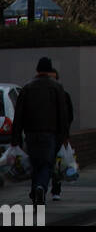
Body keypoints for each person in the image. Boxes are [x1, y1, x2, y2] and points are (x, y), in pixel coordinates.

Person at [10, 57, 70, 207]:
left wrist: (15, 137)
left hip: (30, 133)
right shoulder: (57, 87)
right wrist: (64, 136)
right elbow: (63, 114)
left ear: (37, 70)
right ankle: (41, 187)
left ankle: (35, 195)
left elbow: (19, 115)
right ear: (50, 71)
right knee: (46, 164)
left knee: (35, 163)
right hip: (50, 133)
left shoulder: (27, 87)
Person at [49, 70, 74, 201]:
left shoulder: (64, 96)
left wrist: (65, 134)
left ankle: (56, 190)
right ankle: (39, 188)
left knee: (57, 164)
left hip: (58, 136)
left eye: (54, 78)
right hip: (46, 135)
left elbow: (69, 117)